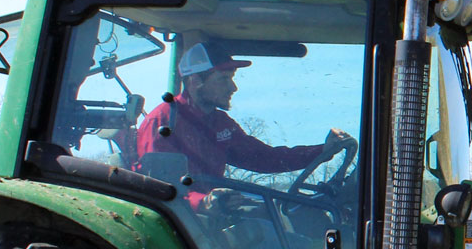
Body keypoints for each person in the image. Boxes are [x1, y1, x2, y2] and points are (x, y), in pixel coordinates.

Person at [135, 39, 354, 207]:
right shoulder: (163, 122)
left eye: (232, 78)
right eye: (223, 79)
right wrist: (204, 202)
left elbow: (264, 158)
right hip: (185, 220)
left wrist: (322, 151)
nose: (233, 88)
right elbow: (157, 188)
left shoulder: (220, 123)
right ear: (195, 81)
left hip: (213, 214)